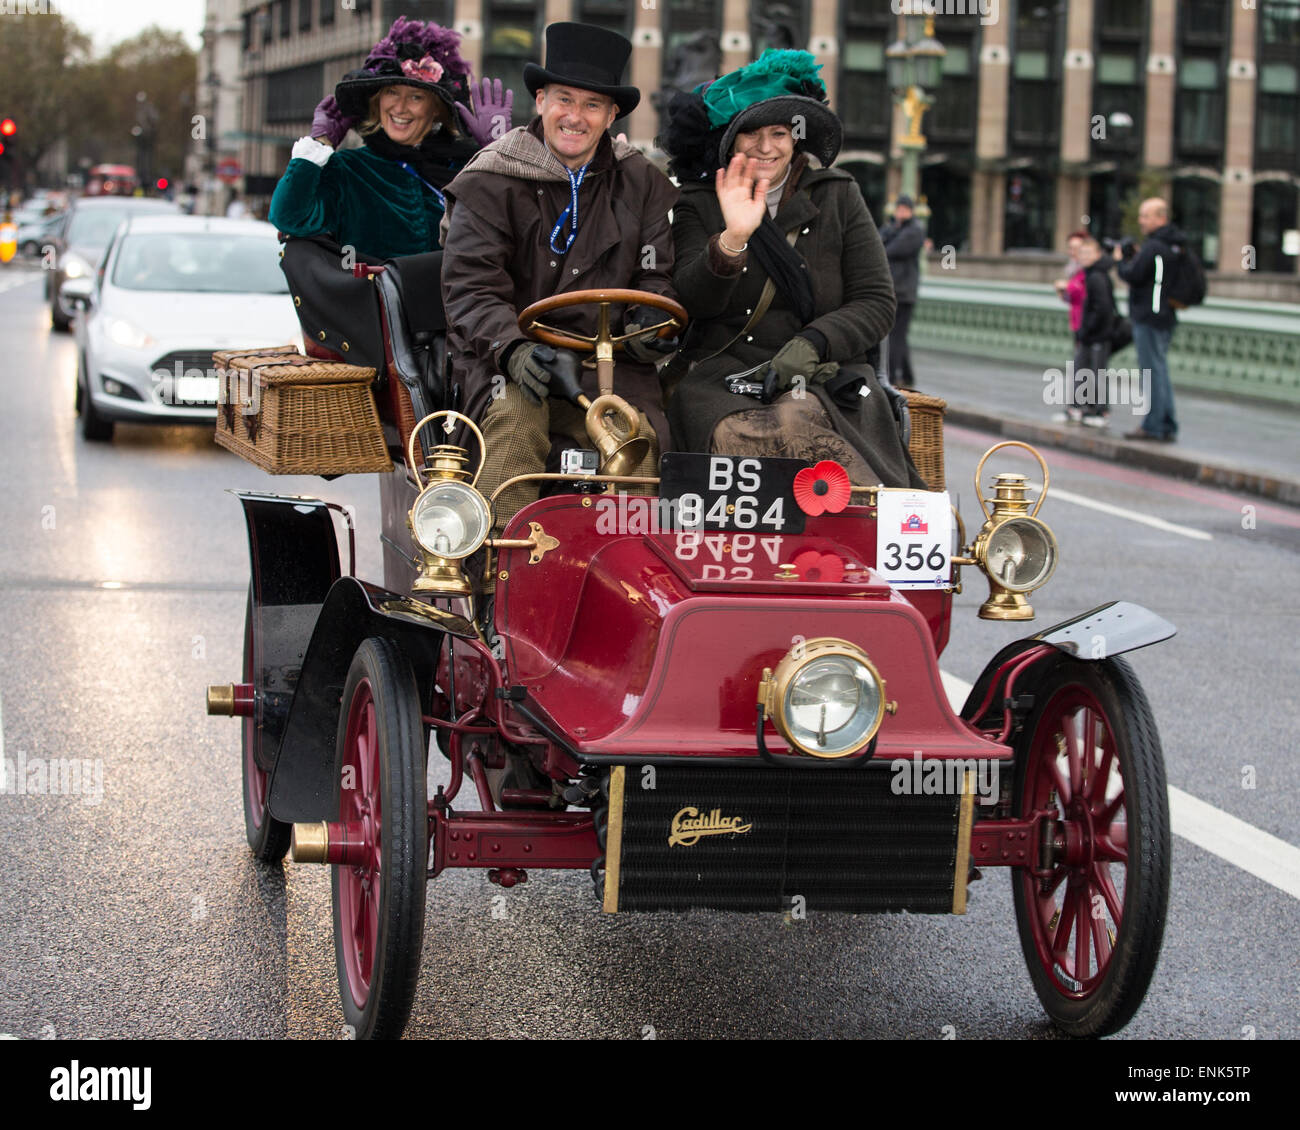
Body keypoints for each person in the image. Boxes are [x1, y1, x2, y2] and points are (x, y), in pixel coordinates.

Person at [440, 22, 680, 551]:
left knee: (641, 435)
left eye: (593, 105)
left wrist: (648, 324)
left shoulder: (644, 184)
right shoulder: (490, 180)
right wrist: (514, 349)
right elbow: (471, 288)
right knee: (516, 418)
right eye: (564, 99)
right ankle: (497, 569)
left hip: (610, 368)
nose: (576, 116)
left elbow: (654, 275)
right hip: (504, 362)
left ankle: (630, 573)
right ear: (542, 100)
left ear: (612, 116)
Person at [658, 49, 924, 489]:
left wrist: (814, 342)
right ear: (730, 138)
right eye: (751, 133)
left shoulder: (838, 195)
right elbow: (690, 303)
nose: (766, 147)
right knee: (747, 430)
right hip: (724, 379)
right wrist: (732, 240)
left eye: (779, 133)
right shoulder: (700, 202)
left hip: (826, 374)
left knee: (799, 416)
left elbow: (876, 302)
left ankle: (867, 534)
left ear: (796, 138)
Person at [269, 16, 512, 260]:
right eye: (392, 92)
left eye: (416, 97)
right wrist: (321, 142)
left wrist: (499, 153)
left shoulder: (469, 169)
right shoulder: (348, 169)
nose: (400, 107)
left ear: (437, 108)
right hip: (375, 298)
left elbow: (517, 227)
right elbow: (289, 217)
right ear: (377, 101)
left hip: (460, 299)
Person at [1116, 197, 1183, 442]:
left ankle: (1153, 425)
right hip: (1165, 315)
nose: (1141, 221)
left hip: (1150, 316)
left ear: (1160, 218)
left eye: (1145, 216)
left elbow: (1133, 274)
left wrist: (1121, 260)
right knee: (1159, 370)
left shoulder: (1155, 246)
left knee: (1151, 372)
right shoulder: (1174, 244)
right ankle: (1166, 423)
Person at [878, 194, 925, 389]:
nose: (901, 213)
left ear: (911, 211)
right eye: (899, 209)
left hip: (904, 292)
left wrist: (890, 234)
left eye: (905, 209)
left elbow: (890, 250)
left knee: (896, 335)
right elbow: (876, 242)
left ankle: (891, 376)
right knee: (897, 334)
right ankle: (906, 376)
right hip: (893, 289)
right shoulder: (892, 228)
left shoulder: (915, 231)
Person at [1075, 236, 1118, 427]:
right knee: (1086, 369)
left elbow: (1103, 308)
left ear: (1098, 255)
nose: (1084, 257)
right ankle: (1087, 408)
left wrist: (1087, 329)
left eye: (1088, 253)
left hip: (1098, 334)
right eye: (1082, 253)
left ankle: (1100, 411)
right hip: (1093, 333)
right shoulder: (1092, 274)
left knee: (1097, 372)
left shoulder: (1096, 276)